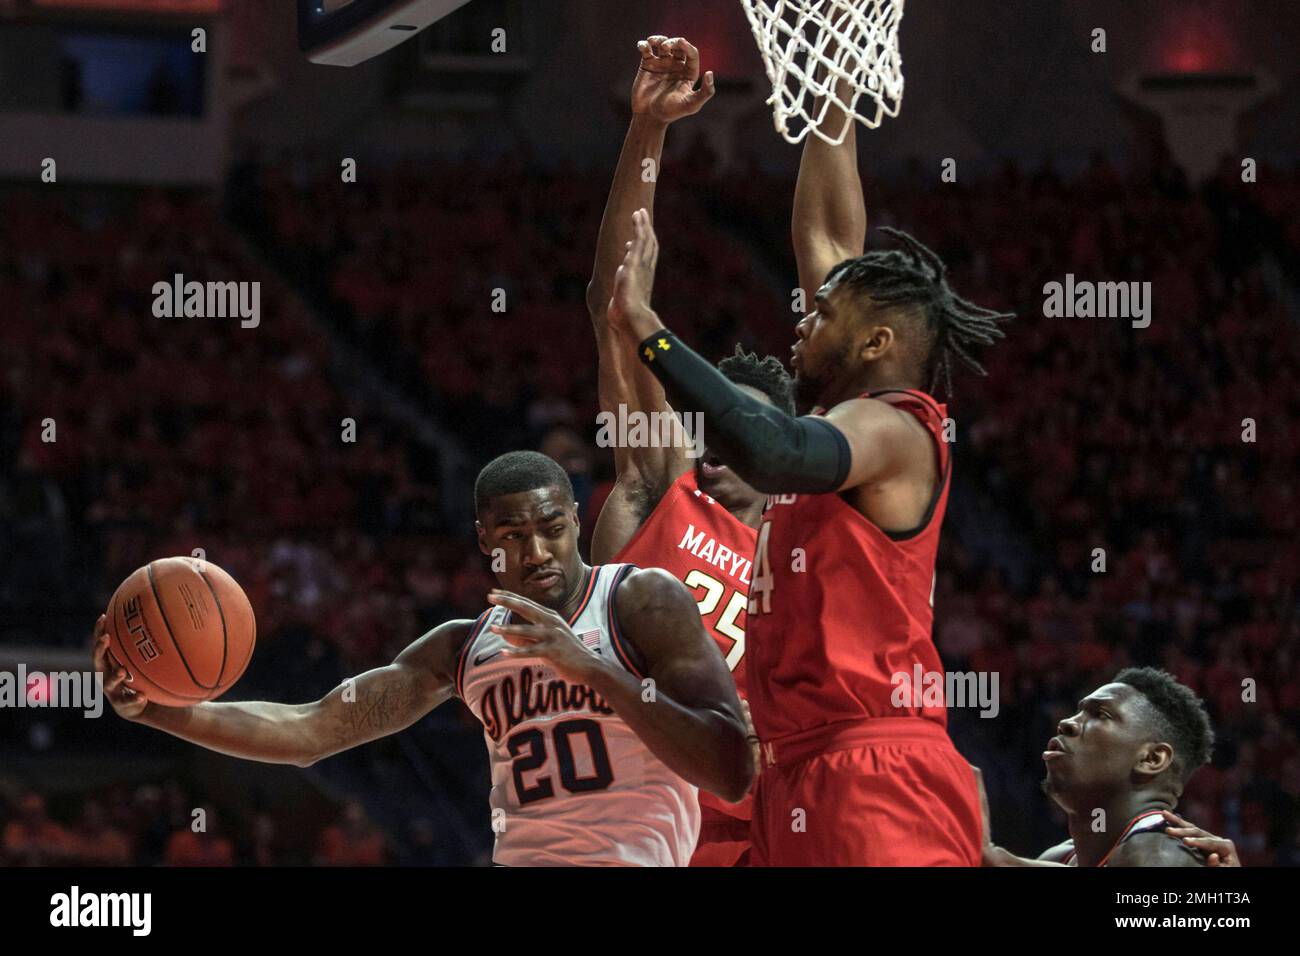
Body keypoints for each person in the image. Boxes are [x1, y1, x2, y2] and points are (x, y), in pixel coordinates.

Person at [605, 69, 1011, 864]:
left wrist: (651, 332)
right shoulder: (845, 425)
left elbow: (774, 449)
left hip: (874, 762)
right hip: (797, 772)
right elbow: (828, 246)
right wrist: (832, 83)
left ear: (877, 344)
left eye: (822, 316)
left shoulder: (898, 427)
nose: (803, 319)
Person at [95, 451, 753, 866]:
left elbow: (730, 767)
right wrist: (159, 711)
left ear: (577, 521)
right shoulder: (463, 647)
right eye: (513, 536)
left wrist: (593, 670)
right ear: (483, 539)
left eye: (552, 530)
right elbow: (308, 731)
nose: (537, 553)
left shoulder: (640, 601)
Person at [585, 34, 793, 866]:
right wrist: (648, 131)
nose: (717, 438)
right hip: (625, 824)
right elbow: (612, 302)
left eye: (741, 425)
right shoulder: (665, 487)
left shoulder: (806, 558)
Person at [982, 668, 1230, 867]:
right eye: (1078, 712)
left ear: (1151, 759)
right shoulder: (1061, 856)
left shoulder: (1162, 853)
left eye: (1100, 714)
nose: (1066, 723)